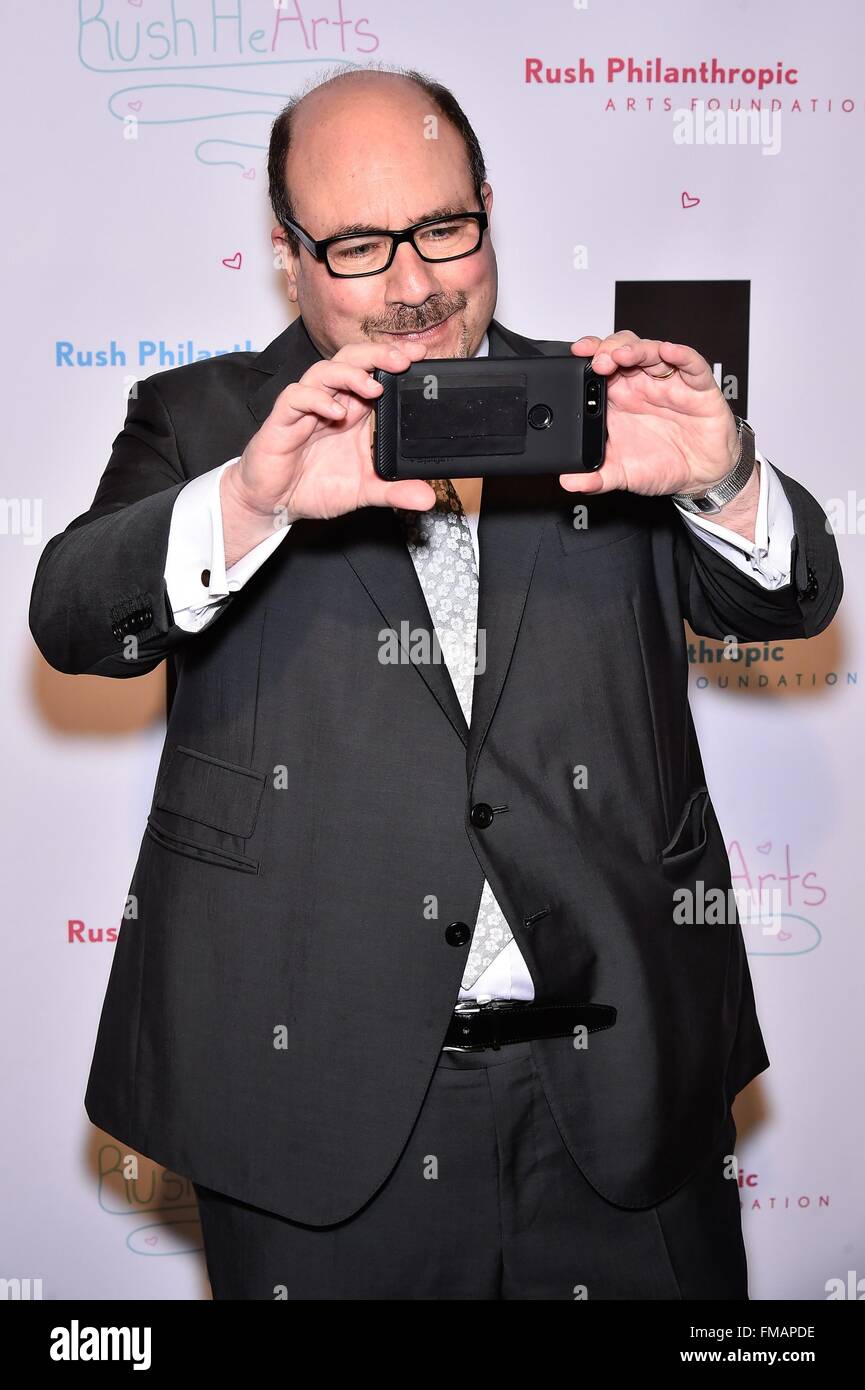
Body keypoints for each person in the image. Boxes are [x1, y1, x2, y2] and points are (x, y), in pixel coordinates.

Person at [29, 65, 842, 1300]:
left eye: (444, 228)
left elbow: (785, 602)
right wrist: (251, 502)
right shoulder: (207, 423)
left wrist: (720, 475)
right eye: (358, 246)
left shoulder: (606, 405)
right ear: (288, 256)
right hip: (315, 1122)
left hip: (624, 1100)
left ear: (489, 208)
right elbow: (76, 615)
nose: (413, 285)